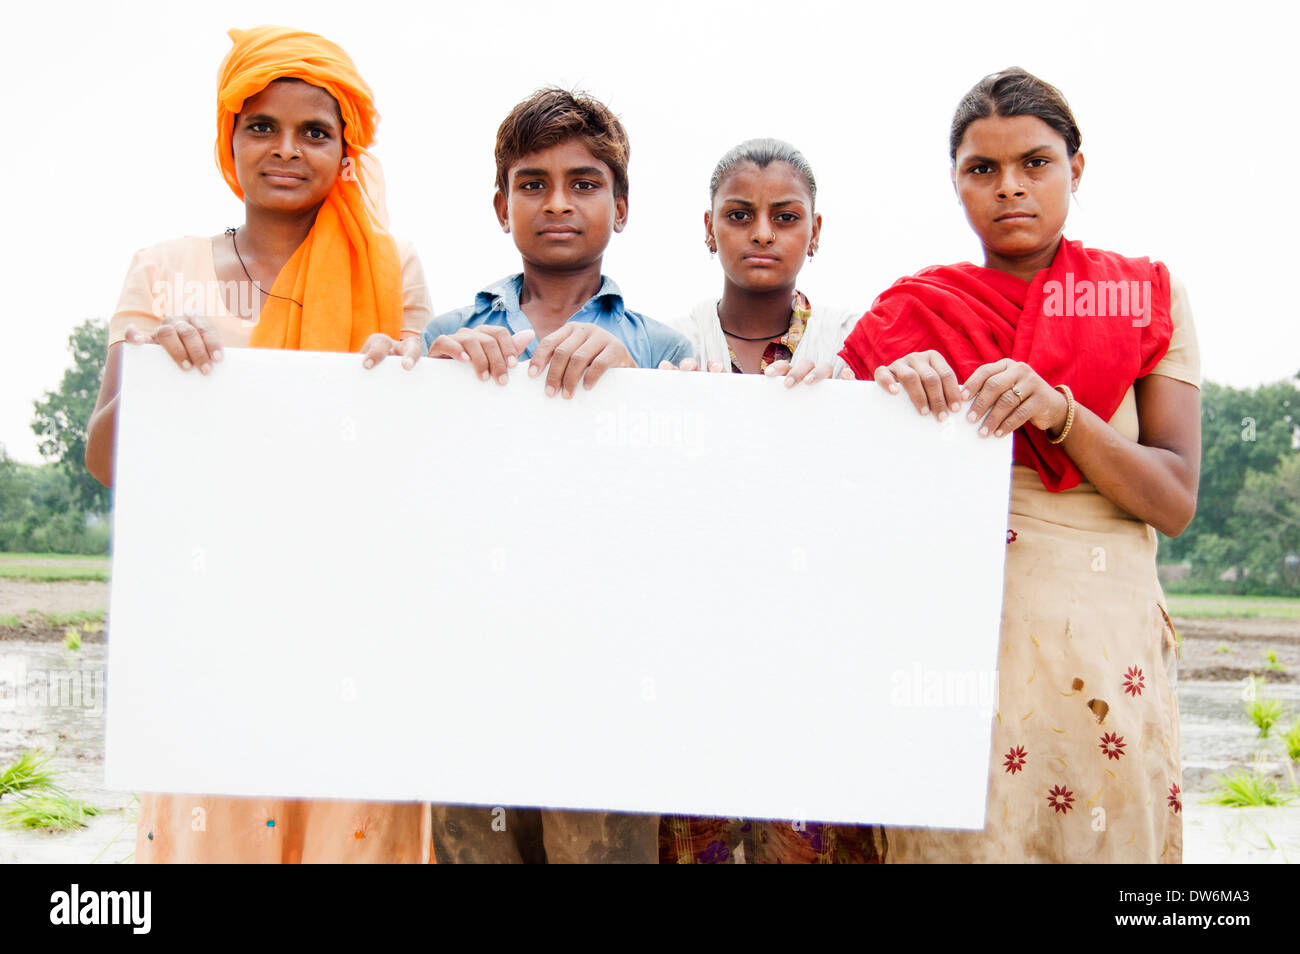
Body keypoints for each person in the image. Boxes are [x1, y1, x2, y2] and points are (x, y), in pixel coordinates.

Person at [84, 25, 434, 863]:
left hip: (353, 622)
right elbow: (103, 460)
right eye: (261, 127)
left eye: (315, 132)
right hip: (212, 625)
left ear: (345, 151)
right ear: (228, 138)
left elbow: (416, 458)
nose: (286, 149)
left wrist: (403, 374)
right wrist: (152, 370)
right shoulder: (163, 271)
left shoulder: (392, 268)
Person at [838, 68, 1200, 863]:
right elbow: (846, 499)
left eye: (1035, 162)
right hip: (951, 645)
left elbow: (1174, 500)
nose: (1010, 187)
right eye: (983, 169)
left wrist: (1060, 412)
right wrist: (890, 398)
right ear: (957, 183)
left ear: (1076, 167)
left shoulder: (1143, 298)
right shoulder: (906, 318)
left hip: (1103, 648)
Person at [364, 87, 691, 863]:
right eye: (532, 183)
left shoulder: (662, 350)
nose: (558, 203)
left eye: (584, 183)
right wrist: (416, 386)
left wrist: (641, 392)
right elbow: (402, 491)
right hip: (471, 672)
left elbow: (684, 516)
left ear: (621, 206)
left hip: (606, 675)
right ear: (500, 205)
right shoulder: (448, 336)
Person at [657, 138, 885, 864]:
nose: (762, 233)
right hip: (700, 646)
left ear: (815, 232)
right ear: (708, 227)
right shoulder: (669, 349)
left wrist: (863, 398)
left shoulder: (855, 346)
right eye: (739, 215)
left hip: (823, 646)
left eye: (785, 217)